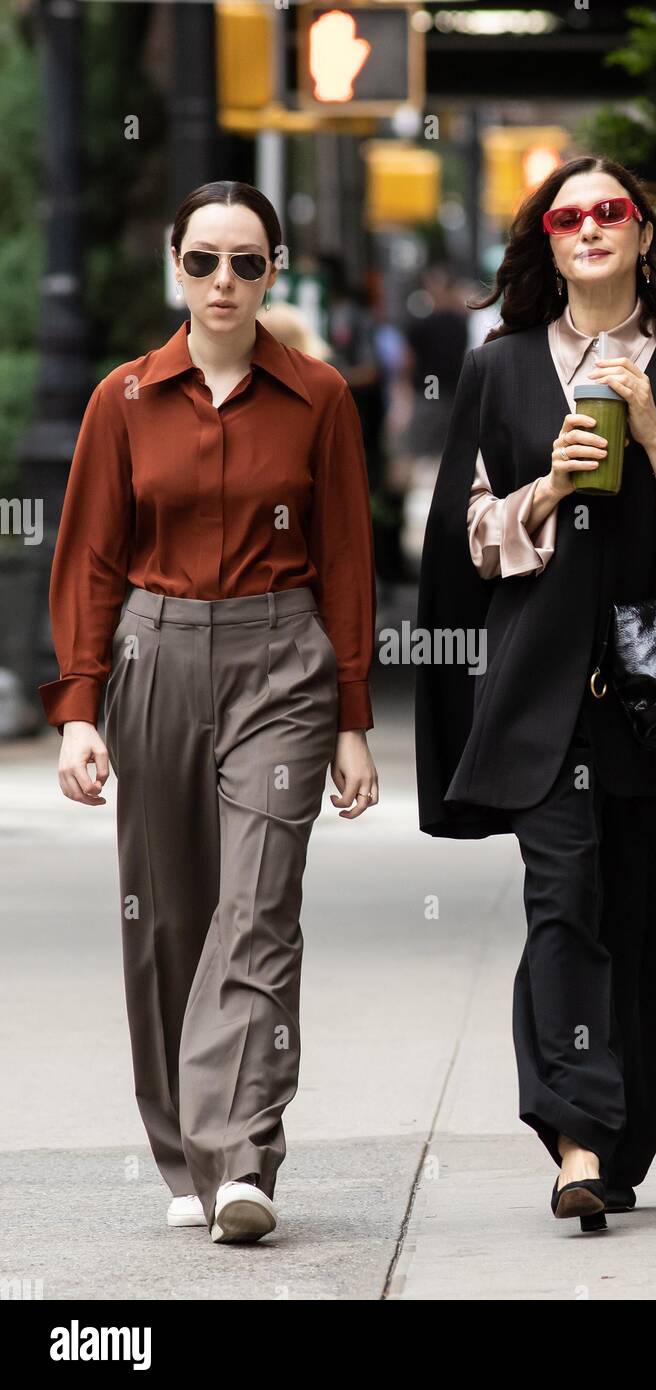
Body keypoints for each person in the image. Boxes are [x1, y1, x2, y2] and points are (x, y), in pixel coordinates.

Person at [414, 155, 656, 1230]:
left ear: (639, 232)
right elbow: (468, 539)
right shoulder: (497, 370)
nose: (586, 227)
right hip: (541, 688)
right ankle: (573, 1134)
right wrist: (551, 486)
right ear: (542, 240)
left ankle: (617, 1145)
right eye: (563, 215)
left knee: (636, 916)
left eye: (606, 211)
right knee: (560, 901)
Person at [38, 180, 378, 1243]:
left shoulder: (318, 397)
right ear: (174, 269)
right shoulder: (124, 399)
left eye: (245, 262)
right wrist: (78, 708)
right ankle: (183, 1145)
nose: (223, 282)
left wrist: (352, 718)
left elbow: (345, 561)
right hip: (156, 653)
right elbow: (90, 555)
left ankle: (243, 1155)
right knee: (168, 912)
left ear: (274, 271)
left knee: (259, 903)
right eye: (203, 262)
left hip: (282, 663)